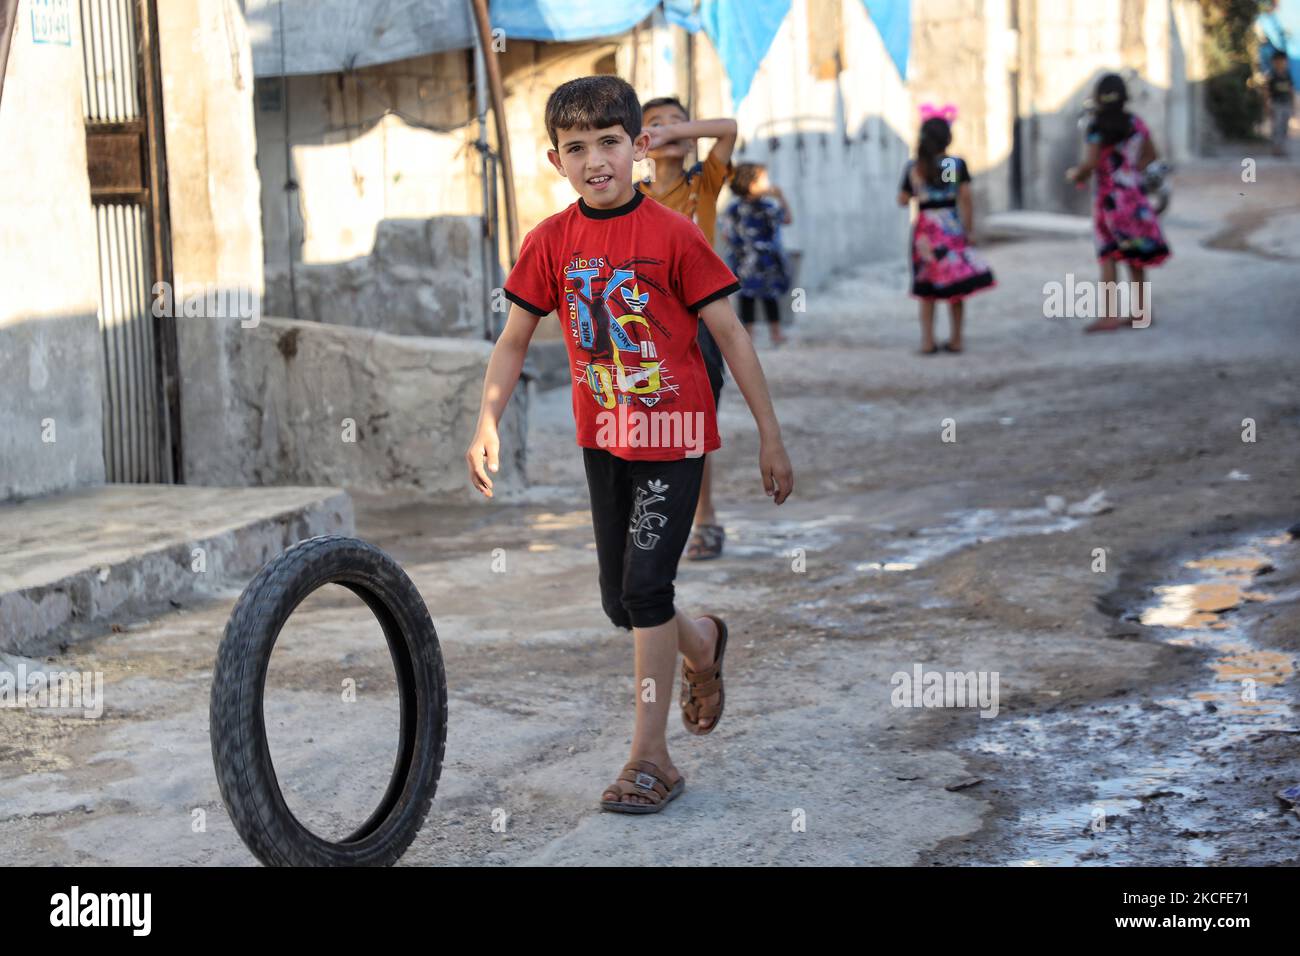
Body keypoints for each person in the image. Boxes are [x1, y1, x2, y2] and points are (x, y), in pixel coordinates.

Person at [464, 75, 794, 813]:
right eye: (575, 149)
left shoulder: (675, 234)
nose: (595, 162)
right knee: (622, 603)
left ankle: (651, 759)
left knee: (646, 590)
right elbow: (513, 339)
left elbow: (731, 335)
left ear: (638, 148)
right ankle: (701, 640)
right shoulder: (549, 242)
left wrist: (769, 437)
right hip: (604, 439)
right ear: (556, 161)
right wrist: (487, 419)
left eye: (609, 143)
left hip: (674, 436)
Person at [637, 96, 737, 560]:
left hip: (700, 324)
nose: (668, 130)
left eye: (678, 123)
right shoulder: (634, 196)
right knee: (646, 427)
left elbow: (729, 127)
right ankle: (653, 520)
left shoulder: (705, 185)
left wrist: (676, 132)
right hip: (644, 325)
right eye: (655, 125)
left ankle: (706, 518)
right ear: (640, 142)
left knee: (695, 427)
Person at [1066, 73, 1171, 332]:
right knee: (1135, 254)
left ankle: (1109, 316)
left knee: (1109, 254)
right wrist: (1132, 171)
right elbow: (1152, 155)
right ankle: (1141, 312)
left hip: (1108, 200)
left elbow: (1090, 164)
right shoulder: (1137, 123)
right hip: (1134, 195)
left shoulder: (1095, 127)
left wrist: (1075, 174)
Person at [896, 105, 995, 354]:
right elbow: (963, 196)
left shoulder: (914, 167)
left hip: (925, 230)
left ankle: (927, 341)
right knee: (956, 283)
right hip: (949, 226)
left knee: (926, 286)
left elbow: (902, 199)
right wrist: (969, 229)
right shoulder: (952, 165)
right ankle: (956, 338)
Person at [720, 162, 792, 346]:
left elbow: (725, 234)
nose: (768, 184)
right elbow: (787, 218)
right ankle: (765, 333)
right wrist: (781, 198)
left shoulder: (741, 208)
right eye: (763, 180)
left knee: (760, 296)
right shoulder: (762, 207)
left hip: (752, 261)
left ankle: (765, 333)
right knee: (755, 297)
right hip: (756, 261)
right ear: (751, 184)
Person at [1268, 49, 1294, 156]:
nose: (1281, 63)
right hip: (1276, 104)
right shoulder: (1272, 75)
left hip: (1286, 103)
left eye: (1283, 61)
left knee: (1284, 126)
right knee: (1276, 126)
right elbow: (1267, 91)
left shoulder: (1287, 74)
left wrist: (1293, 104)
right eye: (1278, 61)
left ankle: (1282, 147)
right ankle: (1276, 148)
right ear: (1274, 62)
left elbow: (1291, 89)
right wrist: (1267, 104)